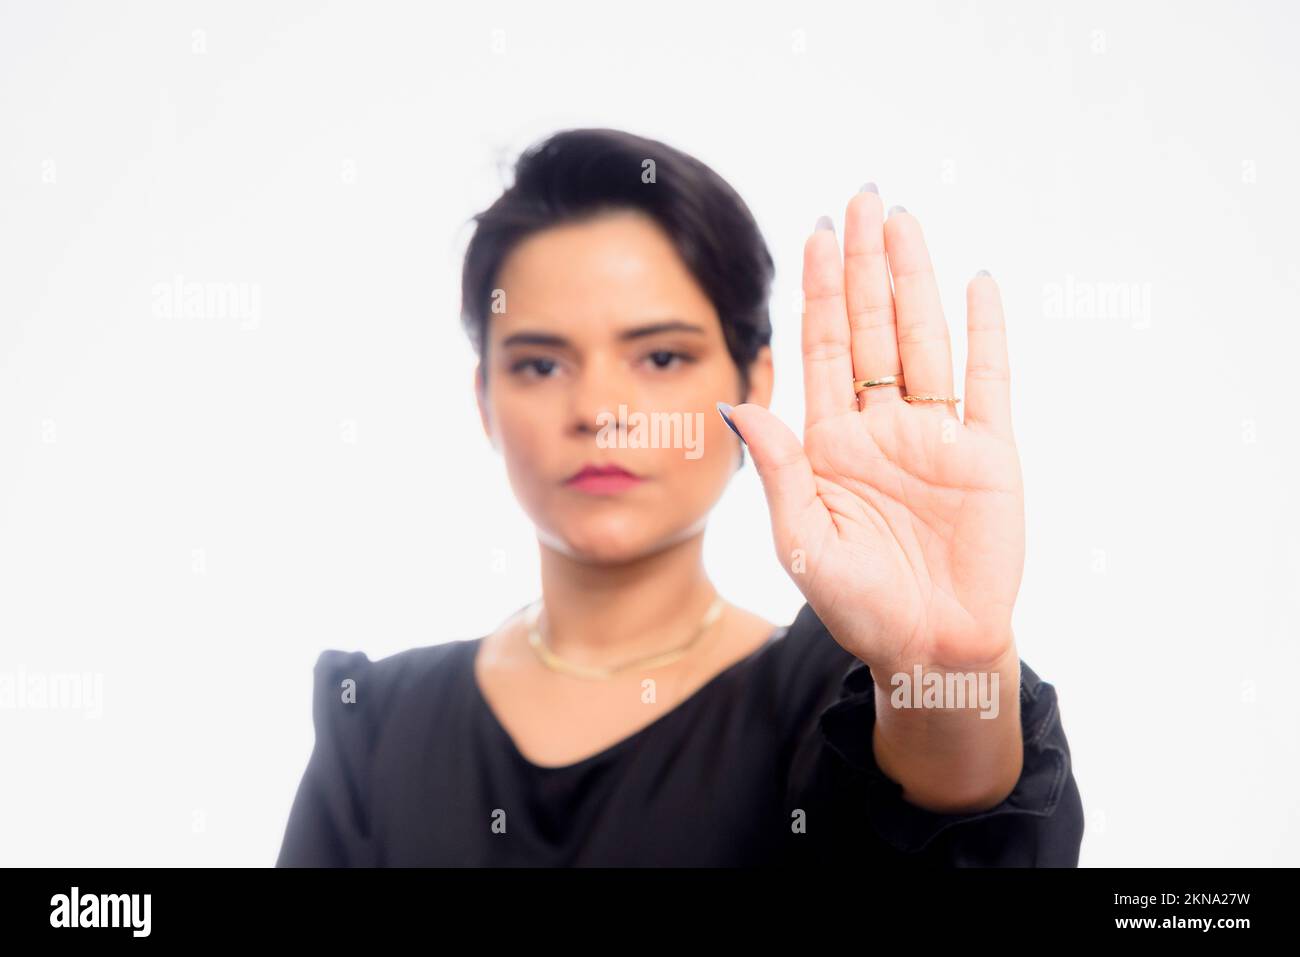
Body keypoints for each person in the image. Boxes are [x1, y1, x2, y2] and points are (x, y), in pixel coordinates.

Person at [275, 128, 1084, 867]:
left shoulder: (837, 698)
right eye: (540, 364)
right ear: (484, 398)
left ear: (753, 384)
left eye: (660, 358)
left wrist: (942, 674)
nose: (599, 410)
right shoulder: (377, 725)